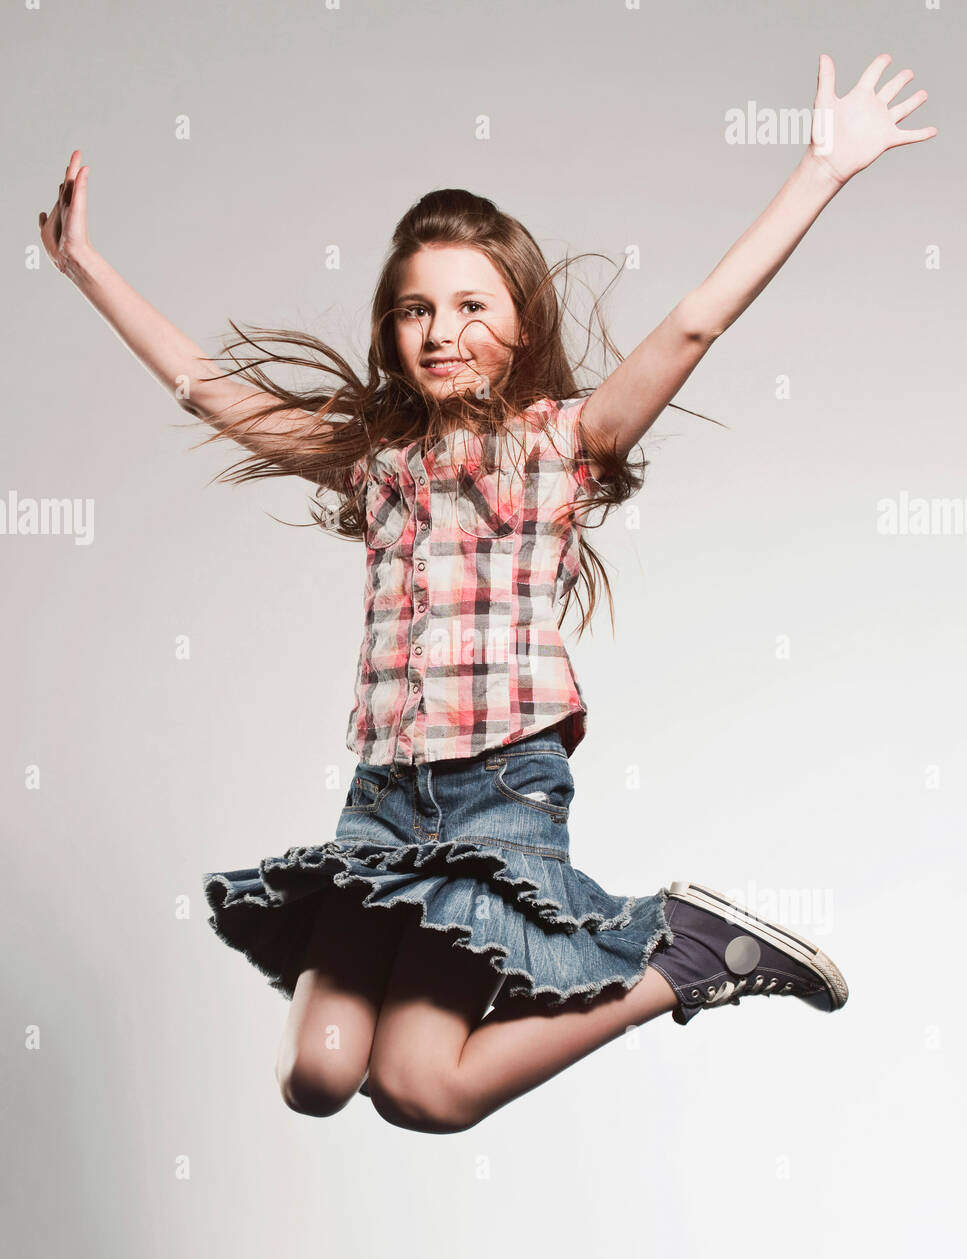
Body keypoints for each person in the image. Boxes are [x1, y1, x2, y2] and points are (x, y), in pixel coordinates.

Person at [40, 54, 934, 1135]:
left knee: (424, 1089)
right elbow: (214, 395)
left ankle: (681, 955)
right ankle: (674, 954)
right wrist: (84, 265)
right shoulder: (371, 459)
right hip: (382, 801)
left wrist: (818, 172)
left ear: (520, 322)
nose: (441, 329)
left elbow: (695, 323)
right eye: (415, 309)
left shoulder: (561, 443)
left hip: (497, 795)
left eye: (471, 303)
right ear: (390, 331)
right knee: (317, 1074)